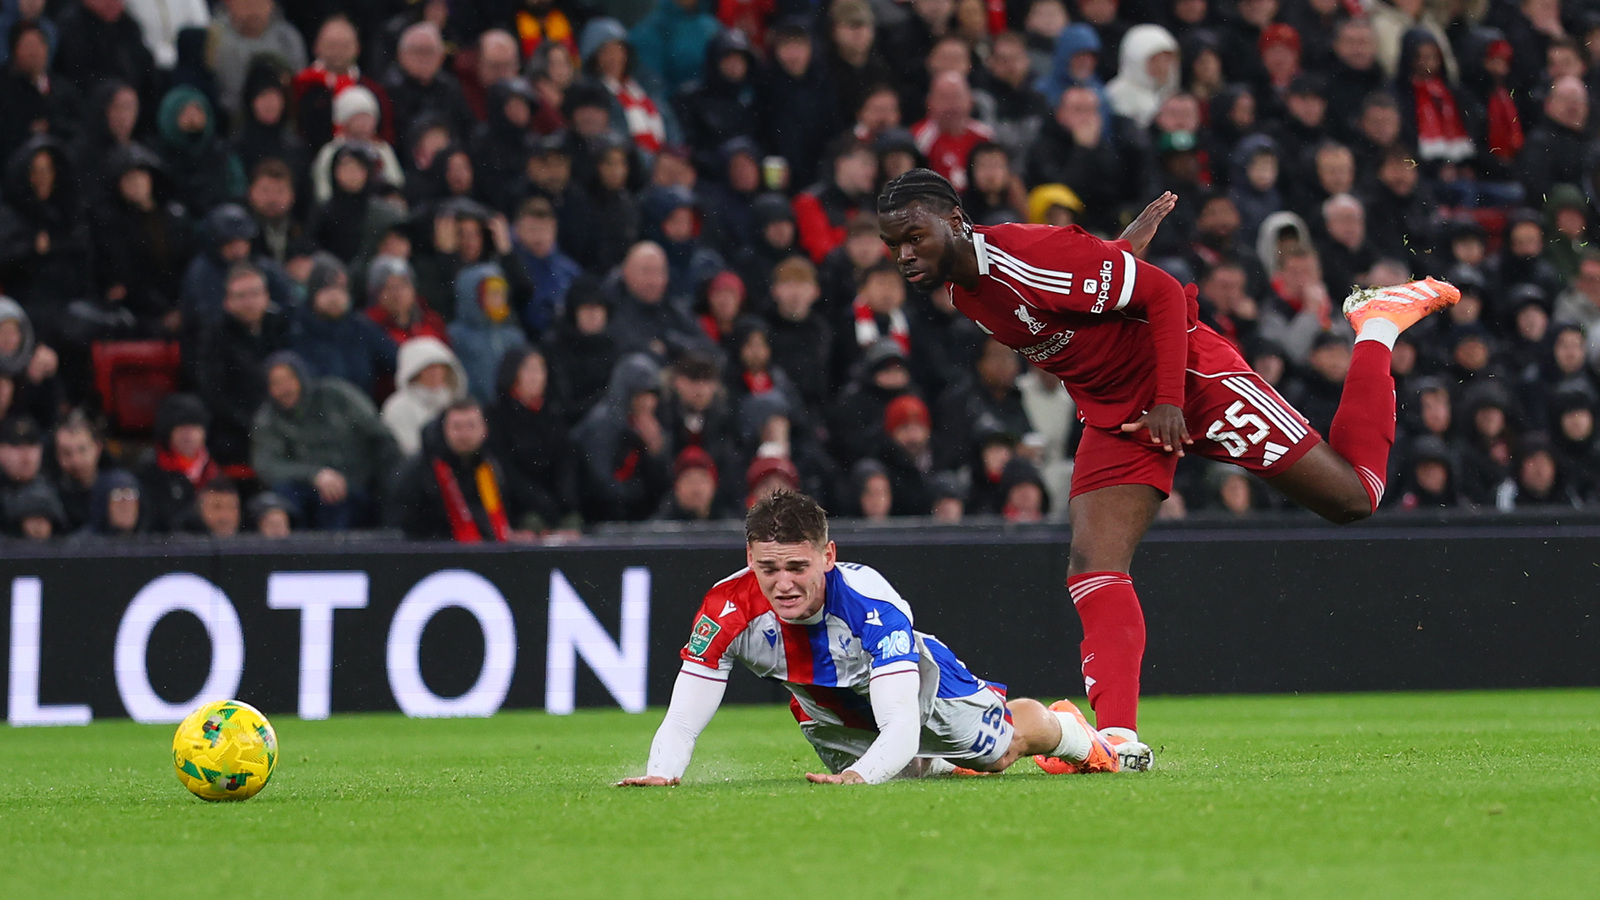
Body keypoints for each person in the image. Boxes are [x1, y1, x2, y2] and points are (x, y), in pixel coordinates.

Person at [876, 168, 1464, 767]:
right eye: (893, 243)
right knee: (1093, 565)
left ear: (955, 221)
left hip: (1190, 381)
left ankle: (1379, 323)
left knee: (1354, 497)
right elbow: (1086, 294)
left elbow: (1159, 294)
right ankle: (1117, 739)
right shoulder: (965, 289)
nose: (904, 255)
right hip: (1118, 411)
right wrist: (1116, 254)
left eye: (914, 237)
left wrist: (1169, 401)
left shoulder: (1024, 258)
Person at [618, 490, 1127, 787]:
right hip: (827, 709)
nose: (783, 583)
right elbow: (682, 720)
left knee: (998, 753)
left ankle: (1076, 734)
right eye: (768, 568)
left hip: (913, 687)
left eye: (797, 567)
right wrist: (661, 774)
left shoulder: (870, 605)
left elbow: (901, 723)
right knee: (906, 776)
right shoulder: (725, 609)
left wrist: (860, 778)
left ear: (828, 556)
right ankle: (938, 763)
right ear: (750, 558)